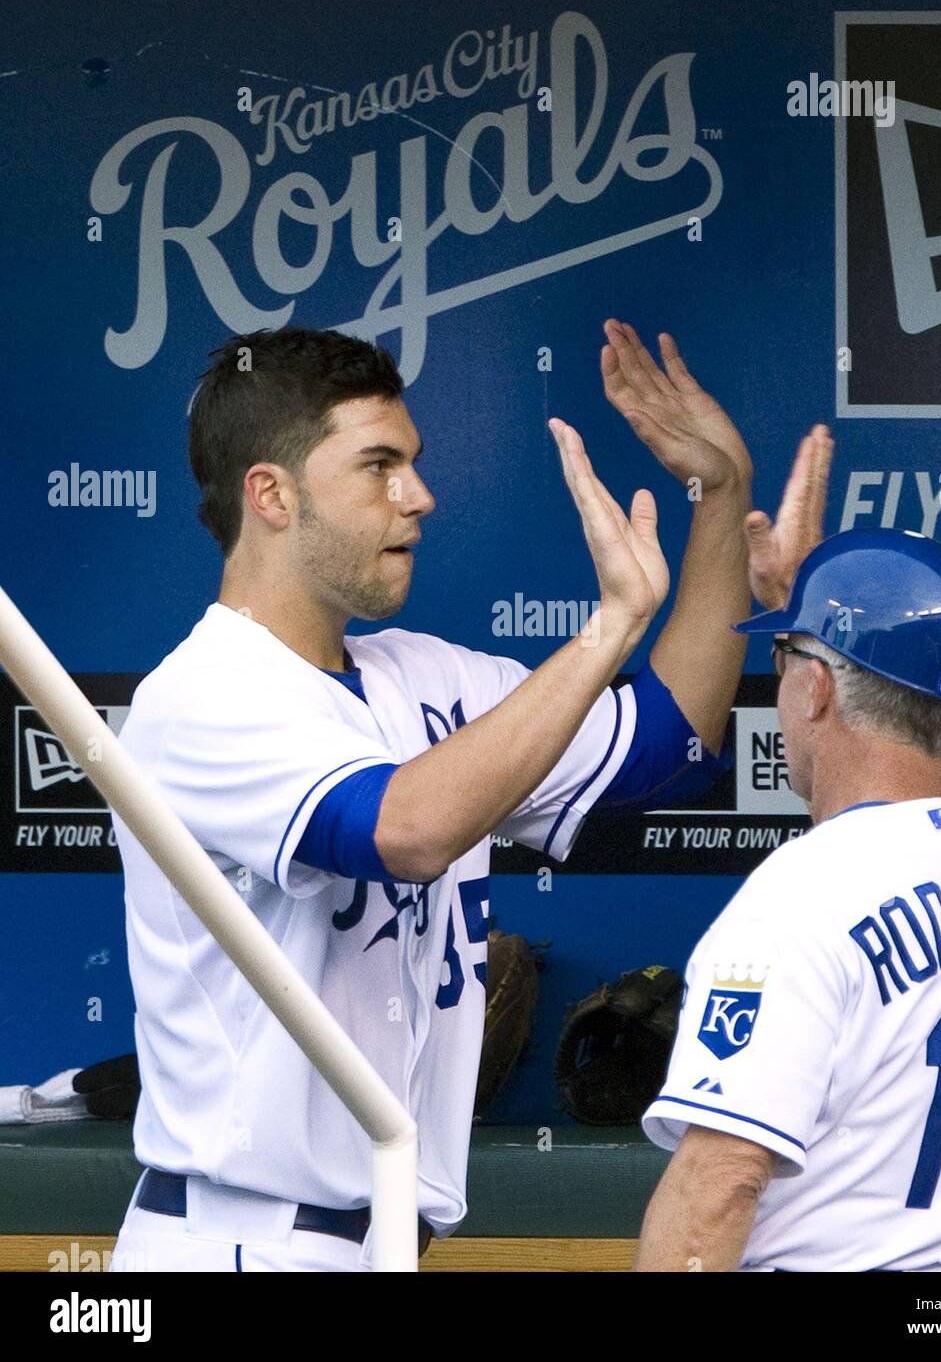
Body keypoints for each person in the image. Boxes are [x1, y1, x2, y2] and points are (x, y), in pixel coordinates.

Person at [108, 320, 832, 1271]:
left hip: (384, 1242)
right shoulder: (200, 697)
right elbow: (409, 829)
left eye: (412, 462)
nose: (420, 496)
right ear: (271, 494)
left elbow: (671, 741)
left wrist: (719, 495)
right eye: (379, 466)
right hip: (243, 1240)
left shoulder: (424, 678)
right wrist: (607, 630)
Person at [636, 528, 941, 1273]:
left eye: (783, 661)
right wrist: (818, 622)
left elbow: (723, 1181)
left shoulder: (800, 896)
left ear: (819, 688)